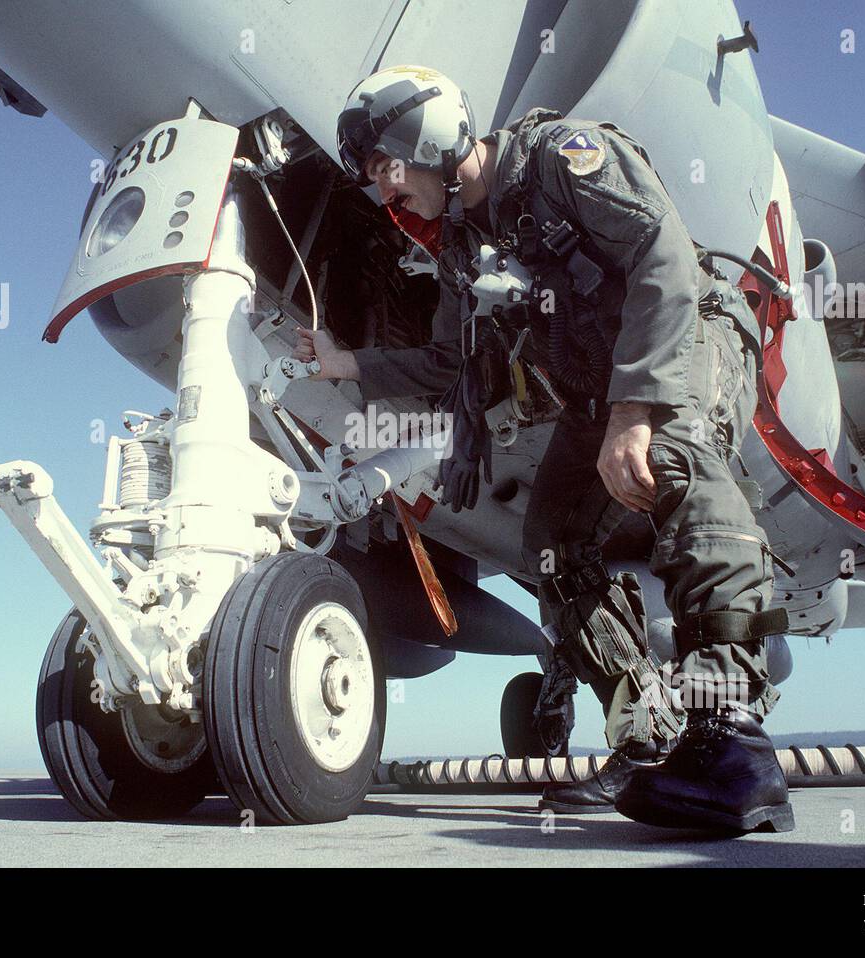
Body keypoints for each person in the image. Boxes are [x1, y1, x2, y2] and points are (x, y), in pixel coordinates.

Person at [298, 65, 793, 833]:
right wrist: (347, 364)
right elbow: (449, 363)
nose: (388, 202)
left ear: (422, 140)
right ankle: (652, 734)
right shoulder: (465, 247)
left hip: (686, 334)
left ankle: (733, 743)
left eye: (388, 178)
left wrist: (635, 412)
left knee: (675, 453)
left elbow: (661, 257)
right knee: (553, 544)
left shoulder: (563, 159)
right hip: (597, 390)